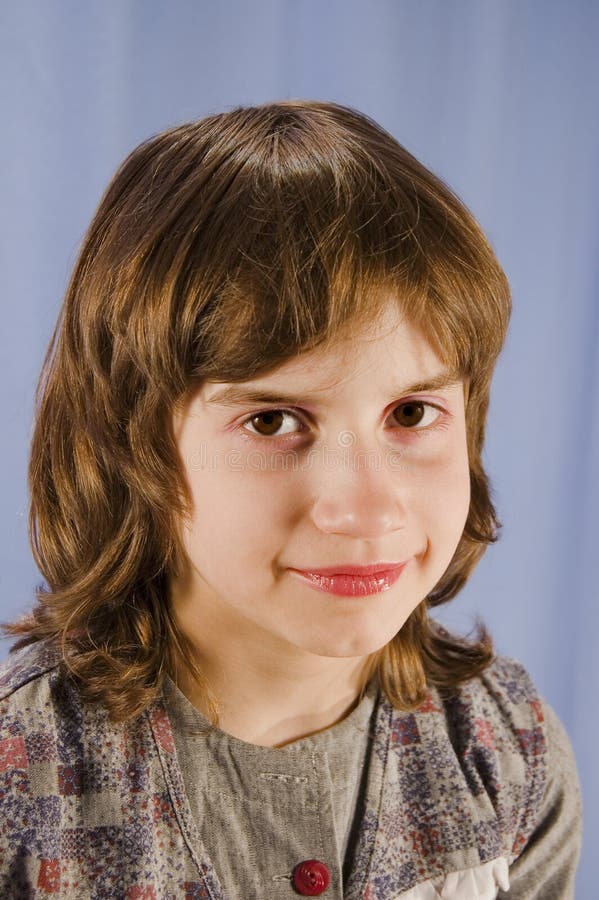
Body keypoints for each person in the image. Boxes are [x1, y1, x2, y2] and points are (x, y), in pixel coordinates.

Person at [0, 99, 582, 899]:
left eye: (411, 414)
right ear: (129, 440)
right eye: (272, 421)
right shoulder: (20, 777)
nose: (367, 509)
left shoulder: (507, 750)